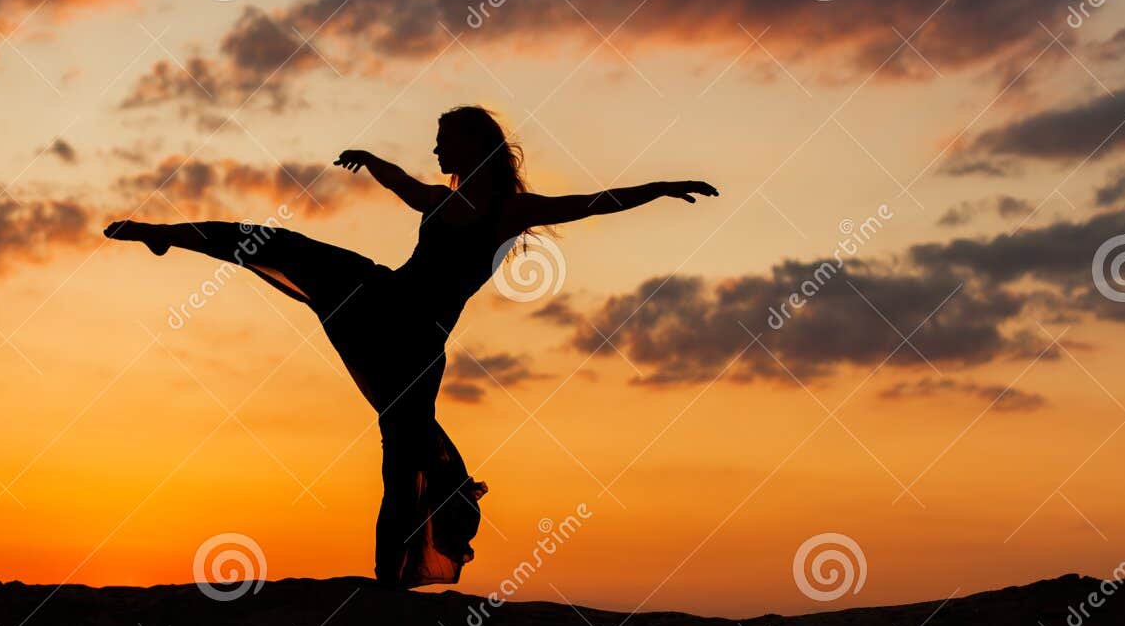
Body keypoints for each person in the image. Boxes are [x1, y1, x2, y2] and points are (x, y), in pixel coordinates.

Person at [106, 105, 717, 587]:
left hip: (419, 343)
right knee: (287, 247)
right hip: (381, 300)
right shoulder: (442, 200)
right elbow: (401, 183)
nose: (436, 150)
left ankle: (390, 579)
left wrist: (661, 186)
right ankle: (169, 234)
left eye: (444, 140)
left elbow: (592, 204)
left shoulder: (508, 211)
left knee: (404, 456)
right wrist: (372, 159)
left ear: (473, 145)